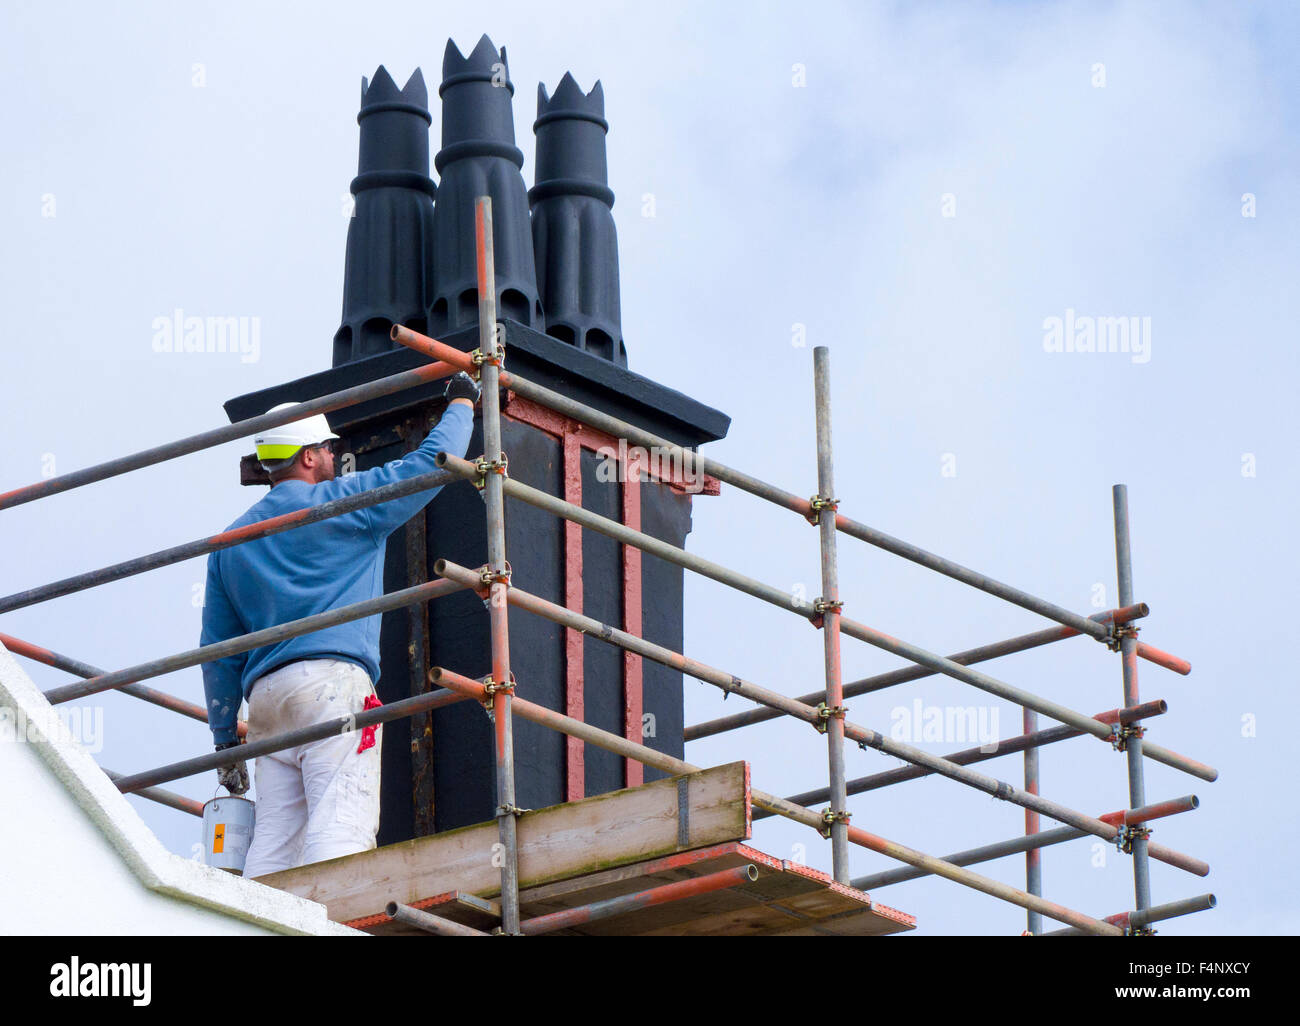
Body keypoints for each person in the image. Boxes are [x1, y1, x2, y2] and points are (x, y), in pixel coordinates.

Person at [200, 371, 480, 878]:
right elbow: (432, 465)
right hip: (331, 687)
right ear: (308, 456)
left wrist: (224, 740)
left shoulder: (229, 542)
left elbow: (218, 652)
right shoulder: (347, 505)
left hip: (267, 702)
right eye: (328, 448)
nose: (334, 456)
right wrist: (463, 401)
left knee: (275, 843)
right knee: (341, 823)